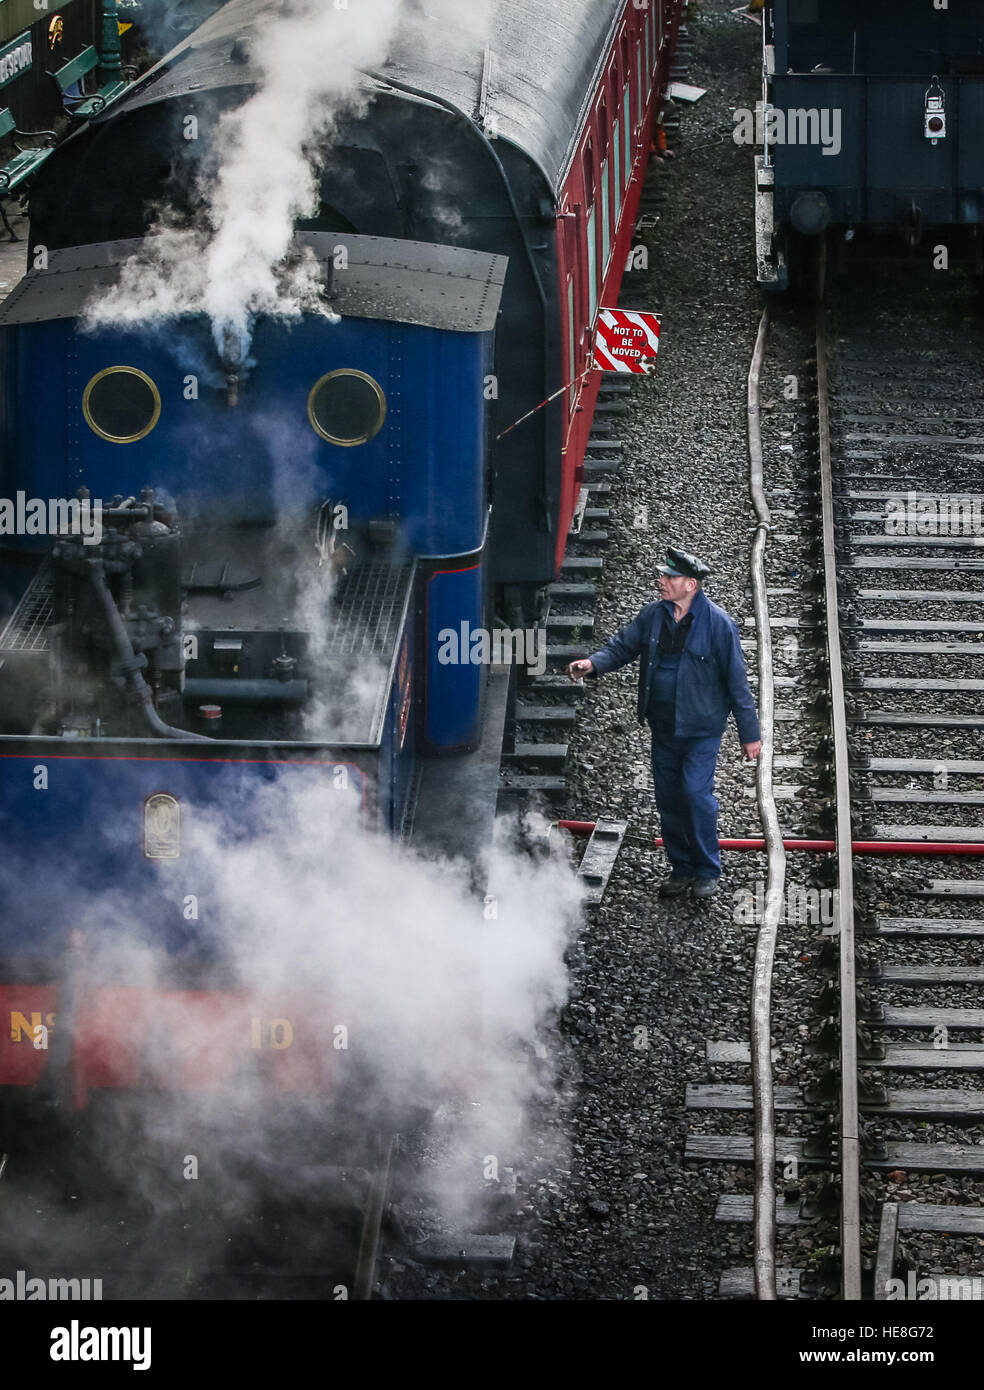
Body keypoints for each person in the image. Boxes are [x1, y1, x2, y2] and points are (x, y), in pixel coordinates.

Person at [567, 546, 762, 900]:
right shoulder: (653, 616)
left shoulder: (719, 624)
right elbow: (622, 648)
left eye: (669, 577)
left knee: (696, 795)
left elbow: (737, 683)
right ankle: (681, 867)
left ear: (690, 584)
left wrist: (751, 735)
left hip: (701, 730)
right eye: (663, 576)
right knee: (668, 798)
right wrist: (592, 664)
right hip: (664, 727)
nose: (662, 581)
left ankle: (707, 869)